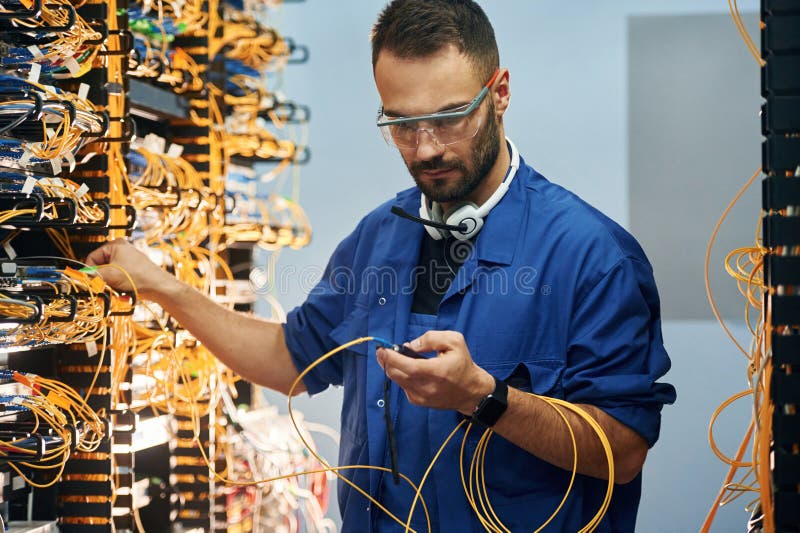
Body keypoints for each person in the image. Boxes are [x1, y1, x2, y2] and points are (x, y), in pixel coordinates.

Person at [88, 0, 676, 531]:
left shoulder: (592, 256)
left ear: (499, 94)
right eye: (400, 124)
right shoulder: (379, 238)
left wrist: (483, 397)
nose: (424, 148)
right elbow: (293, 358)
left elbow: (622, 453)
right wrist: (162, 288)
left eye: (448, 118)